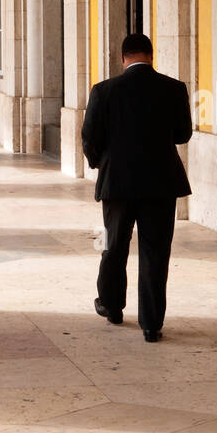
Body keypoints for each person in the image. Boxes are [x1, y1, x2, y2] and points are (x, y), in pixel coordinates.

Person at [81, 33, 192, 343]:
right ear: (151, 56)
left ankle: (112, 306)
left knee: (114, 246)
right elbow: (183, 134)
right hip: (161, 182)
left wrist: (101, 163)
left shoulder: (103, 91)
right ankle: (151, 324)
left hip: (117, 183)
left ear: (122, 57)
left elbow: (89, 137)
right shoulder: (173, 88)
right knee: (156, 252)